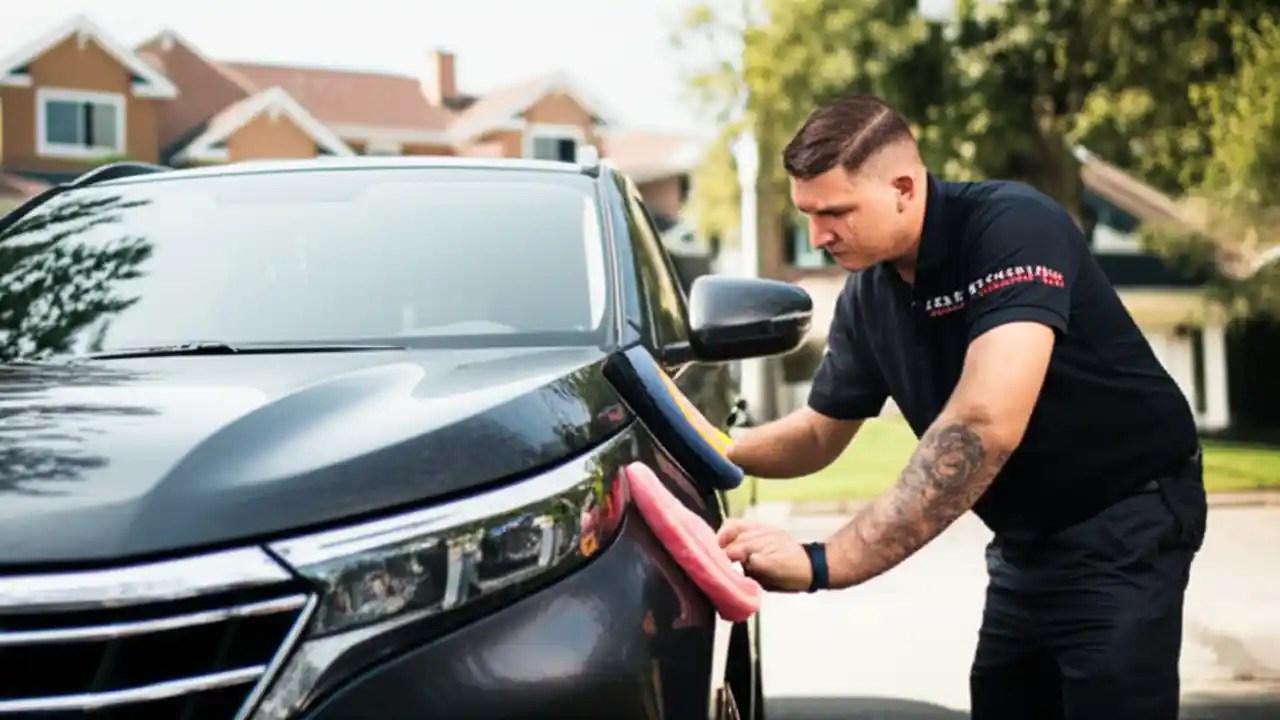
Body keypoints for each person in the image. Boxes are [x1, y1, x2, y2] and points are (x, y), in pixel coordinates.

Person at [715, 92, 1208, 719]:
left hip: (1126, 516)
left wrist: (822, 561)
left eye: (835, 212)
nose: (818, 237)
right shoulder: (869, 294)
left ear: (903, 188)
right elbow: (817, 432)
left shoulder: (1012, 228)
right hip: (1025, 540)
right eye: (808, 214)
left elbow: (984, 423)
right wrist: (708, 446)